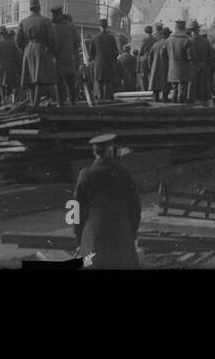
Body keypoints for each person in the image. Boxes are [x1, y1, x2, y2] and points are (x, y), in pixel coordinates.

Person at [72, 133, 141, 269]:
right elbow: (135, 206)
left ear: (94, 152)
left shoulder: (85, 174)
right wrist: (132, 232)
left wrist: (78, 237)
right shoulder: (123, 172)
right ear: (110, 150)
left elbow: (76, 209)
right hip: (121, 234)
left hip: (93, 236)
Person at [19, 0, 57, 106]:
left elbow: (18, 40)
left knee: (30, 77)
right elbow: (51, 39)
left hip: (28, 49)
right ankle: (36, 103)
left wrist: (25, 49)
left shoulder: (23, 22)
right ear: (39, 8)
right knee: (38, 78)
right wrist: (50, 50)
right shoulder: (46, 21)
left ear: (30, 8)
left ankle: (32, 102)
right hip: (41, 49)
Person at [51, 7, 81, 105]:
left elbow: (51, 44)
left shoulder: (53, 27)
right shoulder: (71, 26)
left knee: (58, 83)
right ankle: (73, 103)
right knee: (70, 82)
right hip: (69, 58)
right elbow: (77, 42)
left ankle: (60, 103)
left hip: (57, 59)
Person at [0, 25, 21, 107]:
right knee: (12, 85)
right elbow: (17, 57)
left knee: (1, 87)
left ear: (0, 34)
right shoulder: (12, 43)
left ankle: (3, 101)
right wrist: (18, 68)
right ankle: (12, 101)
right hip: (11, 68)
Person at [186, 20, 215, 106]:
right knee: (203, 89)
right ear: (198, 29)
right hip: (204, 67)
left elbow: (188, 56)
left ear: (191, 30)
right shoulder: (205, 41)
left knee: (192, 90)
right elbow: (211, 55)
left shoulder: (189, 41)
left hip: (192, 68)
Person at [94, 18, 122, 100]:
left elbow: (91, 54)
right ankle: (106, 101)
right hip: (109, 66)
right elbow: (116, 53)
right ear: (107, 26)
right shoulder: (111, 38)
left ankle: (100, 100)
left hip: (98, 66)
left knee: (99, 84)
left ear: (100, 26)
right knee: (107, 85)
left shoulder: (95, 38)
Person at [166, 19, 193, 104]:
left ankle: (174, 106)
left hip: (172, 68)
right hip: (183, 69)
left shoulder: (168, 40)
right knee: (182, 88)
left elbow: (163, 54)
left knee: (174, 89)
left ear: (176, 27)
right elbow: (190, 57)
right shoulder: (187, 40)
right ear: (184, 28)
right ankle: (181, 107)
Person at [147, 25, 171, 101]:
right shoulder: (169, 44)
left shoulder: (155, 44)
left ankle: (155, 104)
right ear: (168, 34)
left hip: (155, 69)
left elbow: (150, 59)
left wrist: (151, 67)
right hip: (166, 69)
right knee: (165, 91)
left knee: (156, 91)